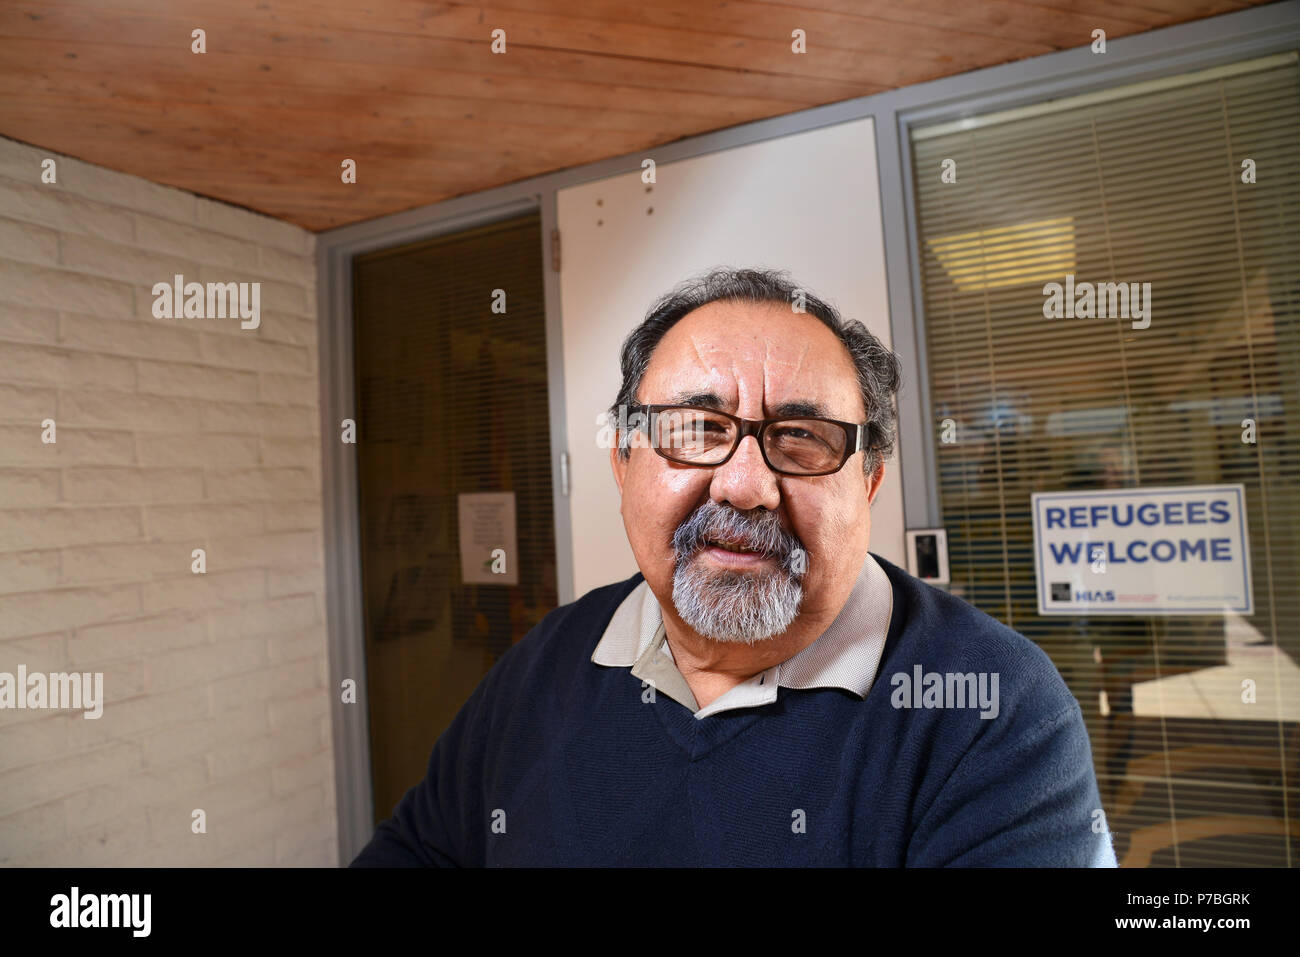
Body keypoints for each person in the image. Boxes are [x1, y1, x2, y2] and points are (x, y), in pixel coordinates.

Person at [351, 267, 1117, 867]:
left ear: (870, 481)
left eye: (802, 436)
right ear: (623, 461)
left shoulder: (992, 710)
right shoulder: (549, 659)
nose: (746, 486)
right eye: (696, 427)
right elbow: (422, 853)